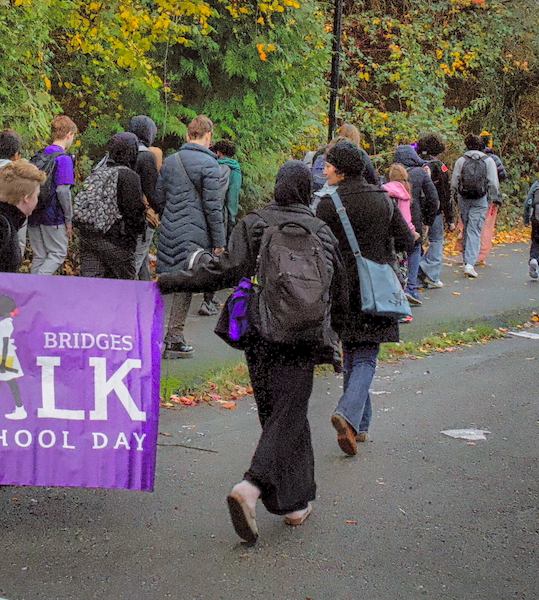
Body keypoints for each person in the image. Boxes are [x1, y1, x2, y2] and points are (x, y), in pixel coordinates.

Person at [158, 161, 344, 543]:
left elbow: (224, 271)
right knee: (290, 413)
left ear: (277, 187)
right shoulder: (321, 230)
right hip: (304, 334)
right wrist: (337, 331)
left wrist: (171, 280)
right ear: (307, 190)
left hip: (261, 330)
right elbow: (339, 284)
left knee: (277, 413)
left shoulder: (255, 223)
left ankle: (295, 501)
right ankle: (253, 486)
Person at [315, 140, 415, 455]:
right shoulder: (382, 199)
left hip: (341, 287)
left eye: (329, 164)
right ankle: (348, 414)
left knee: (351, 352)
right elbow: (406, 239)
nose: (325, 169)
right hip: (377, 286)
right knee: (367, 356)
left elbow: (319, 248)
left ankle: (358, 426)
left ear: (342, 170)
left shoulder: (328, 203)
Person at [155, 115, 227, 358]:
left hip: (169, 229)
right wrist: (219, 242)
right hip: (194, 231)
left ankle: (149, 332)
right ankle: (174, 337)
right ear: (208, 137)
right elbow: (213, 207)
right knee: (185, 283)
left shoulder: (171, 161)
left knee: (165, 280)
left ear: (188, 136)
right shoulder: (210, 166)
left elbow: (159, 197)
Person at [76, 133, 147, 280]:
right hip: (115, 240)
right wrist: (136, 235)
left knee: (91, 286)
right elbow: (134, 213)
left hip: (88, 236)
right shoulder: (129, 176)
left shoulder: (99, 171)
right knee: (122, 286)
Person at [28, 115, 78, 275]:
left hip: (34, 212)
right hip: (53, 216)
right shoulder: (64, 159)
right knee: (57, 253)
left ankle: (30, 290)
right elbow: (63, 191)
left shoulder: (39, 155)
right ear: (69, 134)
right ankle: (36, 287)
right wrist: (68, 220)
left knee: (40, 256)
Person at [198, 139, 242, 318]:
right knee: (217, 256)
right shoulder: (234, 169)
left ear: (218, 153)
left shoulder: (207, 165)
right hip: (221, 214)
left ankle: (209, 297)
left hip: (201, 213)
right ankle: (208, 300)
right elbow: (232, 197)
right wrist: (232, 218)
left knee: (204, 253)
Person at [392, 143, 438, 304]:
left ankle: (397, 286)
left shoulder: (390, 173)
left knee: (395, 252)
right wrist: (428, 221)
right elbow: (433, 199)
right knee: (414, 250)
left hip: (393, 220)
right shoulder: (420, 173)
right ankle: (411, 287)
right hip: (414, 218)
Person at [451, 135, 500, 278]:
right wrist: (493, 198)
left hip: (464, 198)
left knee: (466, 227)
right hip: (480, 199)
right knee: (475, 229)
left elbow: (454, 182)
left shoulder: (461, 161)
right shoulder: (488, 161)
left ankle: (466, 258)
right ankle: (470, 264)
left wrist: (455, 196)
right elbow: (493, 183)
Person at [128, 115, 163, 280]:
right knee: (134, 260)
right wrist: (161, 212)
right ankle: (117, 300)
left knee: (139, 258)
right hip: (140, 217)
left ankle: (145, 291)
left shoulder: (120, 150)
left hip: (118, 215)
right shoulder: (146, 156)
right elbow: (152, 191)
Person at [415, 132, 451, 290]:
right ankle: (431, 273)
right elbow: (445, 194)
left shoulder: (415, 165)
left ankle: (416, 273)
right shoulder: (439, 167)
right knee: (436, 240)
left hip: (415, 209)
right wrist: (449, 216)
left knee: (417, 242)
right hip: (434, 210)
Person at [381, 163, 419, 313]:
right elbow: (406, 217)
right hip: (403, 236)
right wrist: (413, 232)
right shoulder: (405, 193)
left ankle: (393, 301)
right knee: (402, 269)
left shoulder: (383, 190)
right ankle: (402, 302)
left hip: (388, 235)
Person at [477, 134, 508, 265]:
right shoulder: (493, 158)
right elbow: (503, 175)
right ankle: (481, 255)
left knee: (471, 224)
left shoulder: (467, 158)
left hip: (469, 196)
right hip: (489, 197)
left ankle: (466, 251)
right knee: (486, 225)